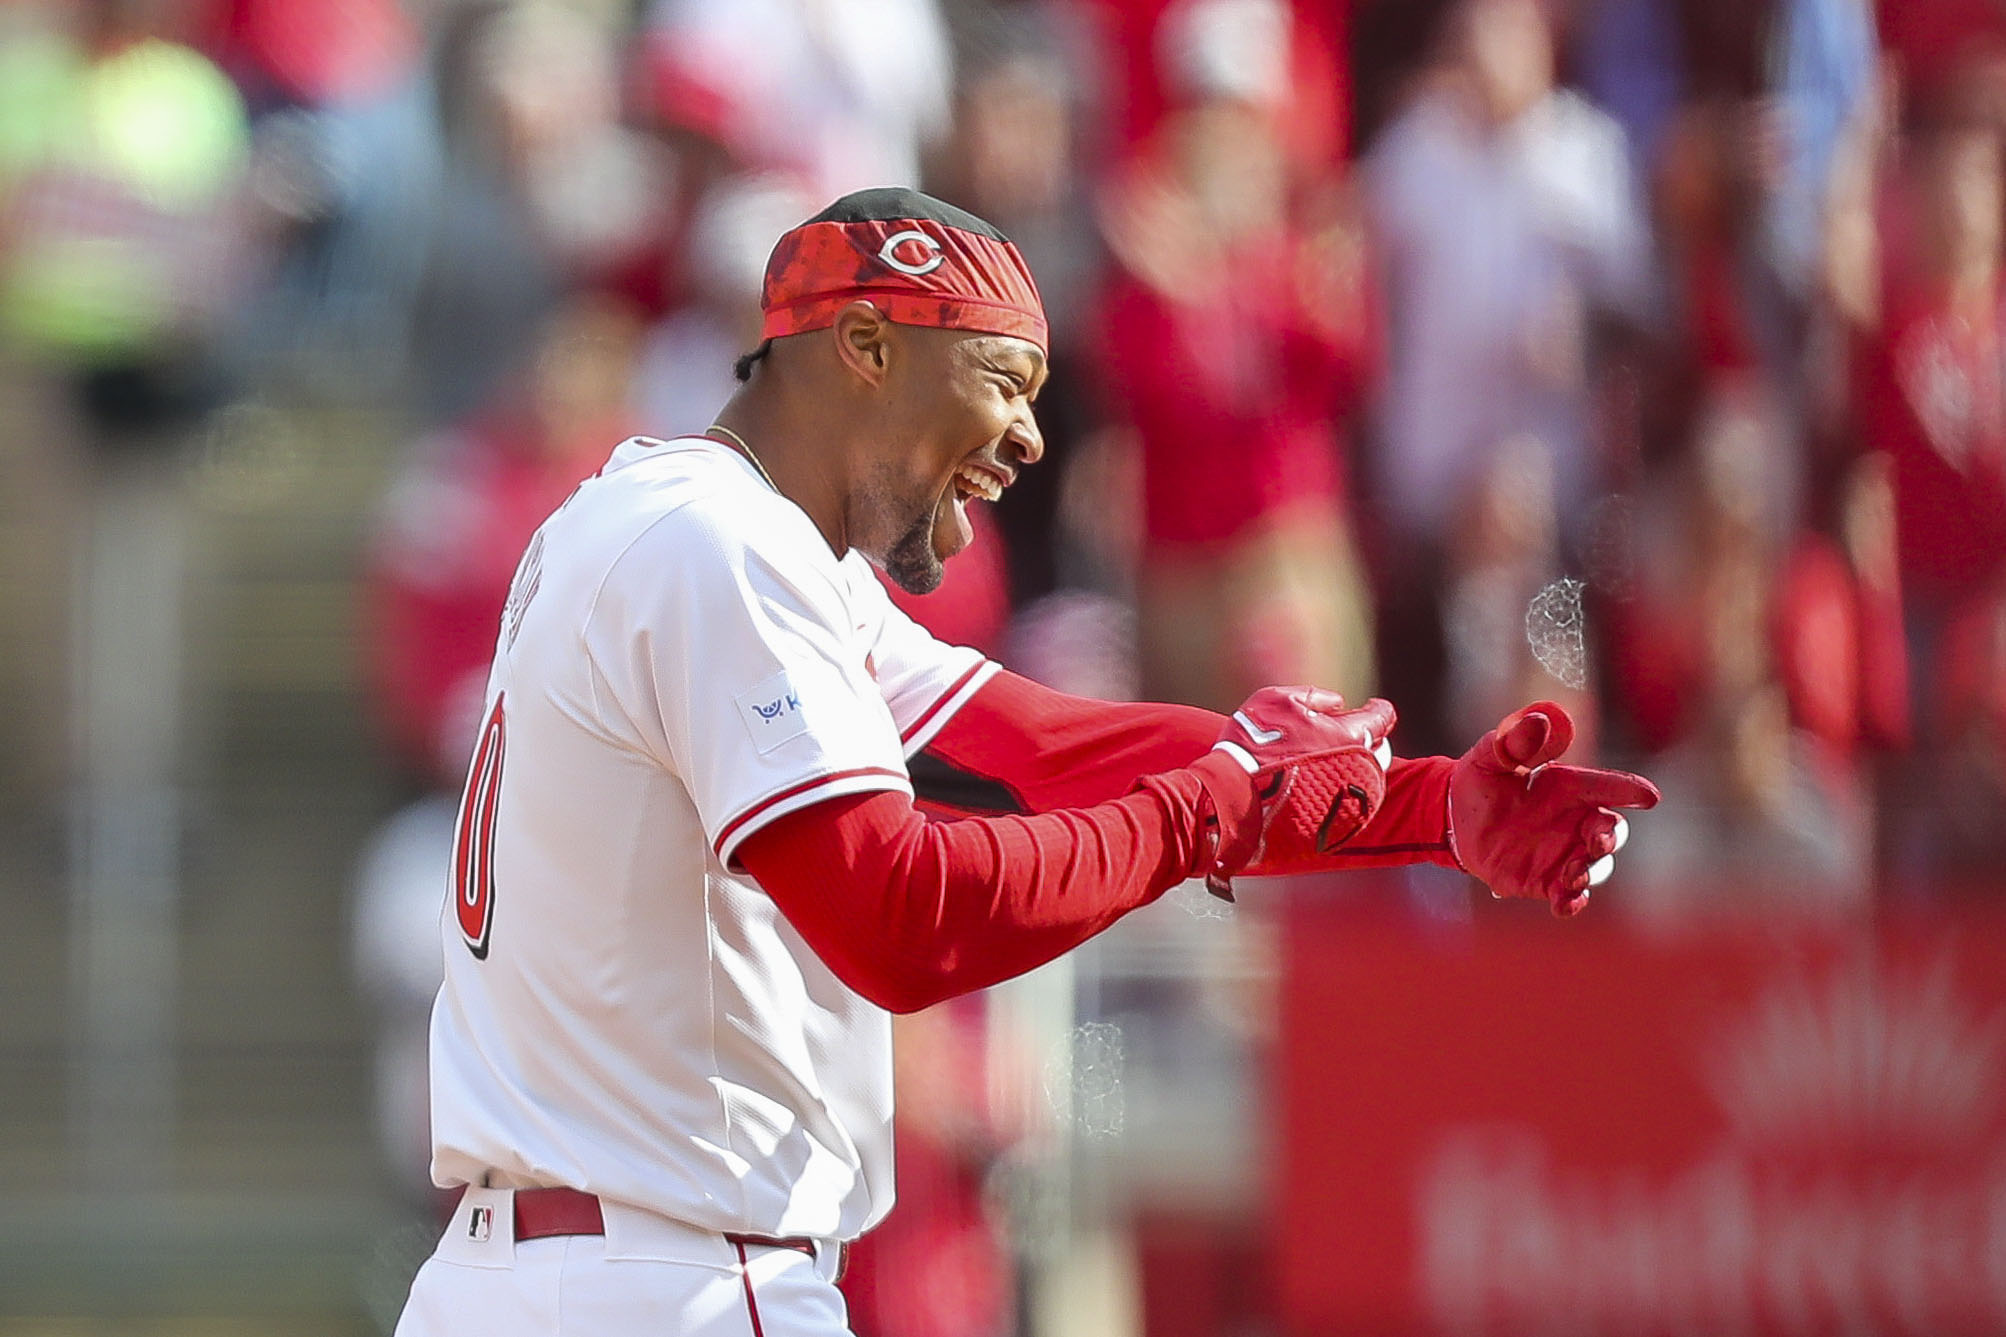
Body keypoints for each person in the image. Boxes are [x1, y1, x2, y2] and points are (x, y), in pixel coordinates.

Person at [391, 187, 1659, 1337]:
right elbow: (898, 916)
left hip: (517, 1278)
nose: (1031, 439)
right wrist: (1202, 809)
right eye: (1002, 376)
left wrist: (1430, 806)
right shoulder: (724, 550)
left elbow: (1046, 752)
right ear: (869, 348)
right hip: (670, 1282)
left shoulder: (669, 523)